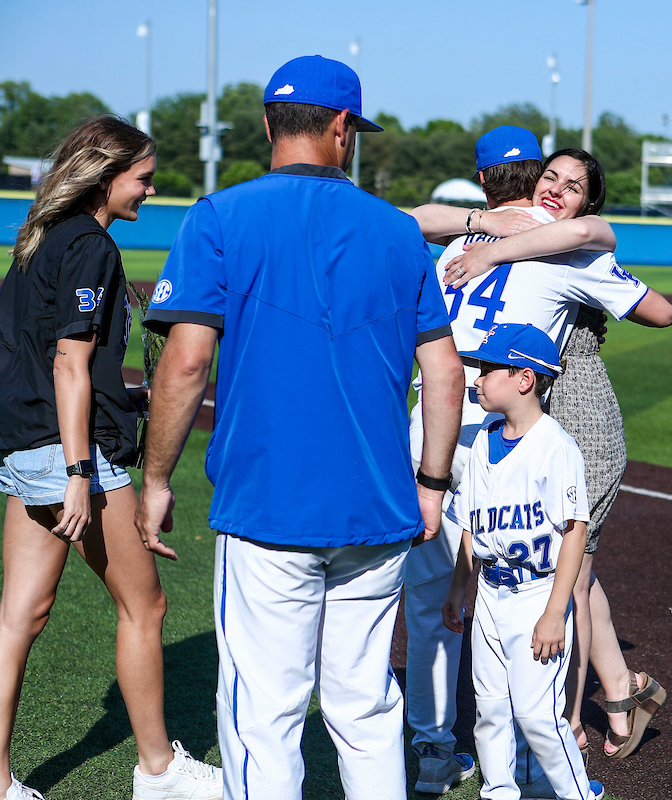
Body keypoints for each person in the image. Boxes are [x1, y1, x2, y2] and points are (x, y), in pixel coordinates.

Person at [133, 56, 464, 800]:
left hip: (266, 508)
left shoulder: (218, 216)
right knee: (368, 707)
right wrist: (434, 483)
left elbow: (185, 366)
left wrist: (155, 480)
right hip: (379, 510)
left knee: (264, 715)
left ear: (266, 125)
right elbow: (445, 373)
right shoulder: (397, 231)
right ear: (342, 129)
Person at [404, 127, 672, 795]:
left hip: (427, 411)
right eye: (550, 177)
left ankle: (437, 749)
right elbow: (658, 309)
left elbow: (412, 220)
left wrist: (487, 230)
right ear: (534, 179)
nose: (555, 189)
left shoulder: (462, 239)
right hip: (494, 427)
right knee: (529, 585)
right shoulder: (571, 251)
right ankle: (545, 748)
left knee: (435, 596)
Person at [0, 116, 221, 800]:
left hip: (23, 441)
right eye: (144, 178)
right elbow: (70, 363)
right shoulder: (90, 245)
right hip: (72, 453)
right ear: (105, 175)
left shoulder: (39, 239)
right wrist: (77, 474)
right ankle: (157, 770)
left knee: (20, 615)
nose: (150, 190)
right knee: (145, 607)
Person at [442, 322, 604, 800]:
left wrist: (556, 613)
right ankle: (498, 792)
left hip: (537, 594)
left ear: (524, 379)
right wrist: (458, 589)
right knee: (490, 709)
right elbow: (471, 527)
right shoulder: (483, 442)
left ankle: (577, 794)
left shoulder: (556, 447)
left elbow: (576, 532)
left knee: (537, 715)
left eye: (490, 369)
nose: (478, 378)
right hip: (489, 593)